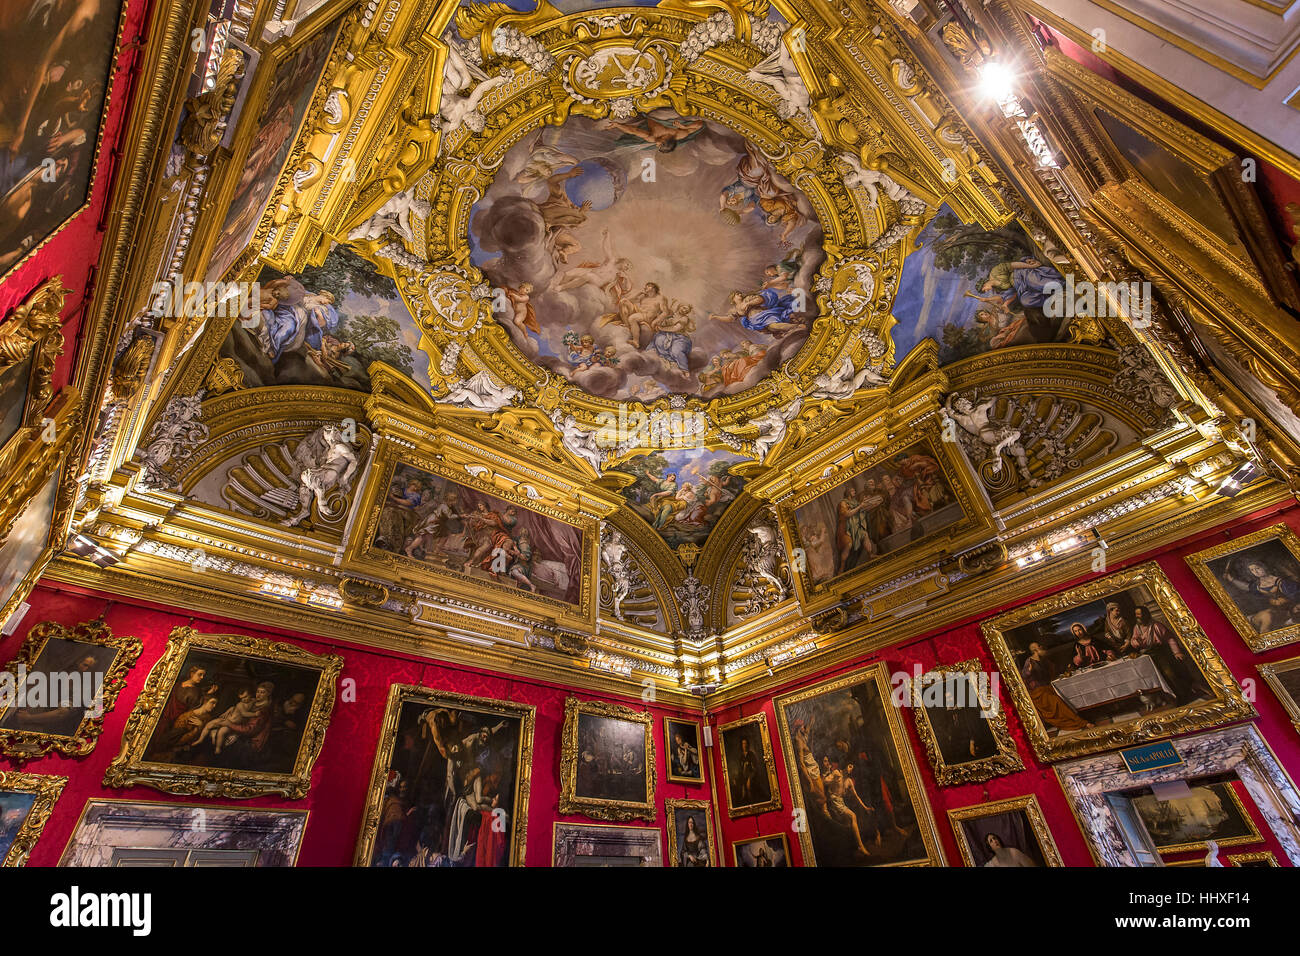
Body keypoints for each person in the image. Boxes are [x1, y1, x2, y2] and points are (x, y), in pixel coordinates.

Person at [1021, 641, 1091, 732]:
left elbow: (1054, 670)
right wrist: (1029, 671)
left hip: (1048, 687)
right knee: (1057, 701)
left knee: (1066, 692)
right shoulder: (1029, 661)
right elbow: (1023, 676)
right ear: (1035, 650)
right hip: (1039, 692)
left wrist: (1067, 668)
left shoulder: (1043, 659)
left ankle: (1080, 717)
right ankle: (1082, 722)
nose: (1042, 647)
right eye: (1039, 646)